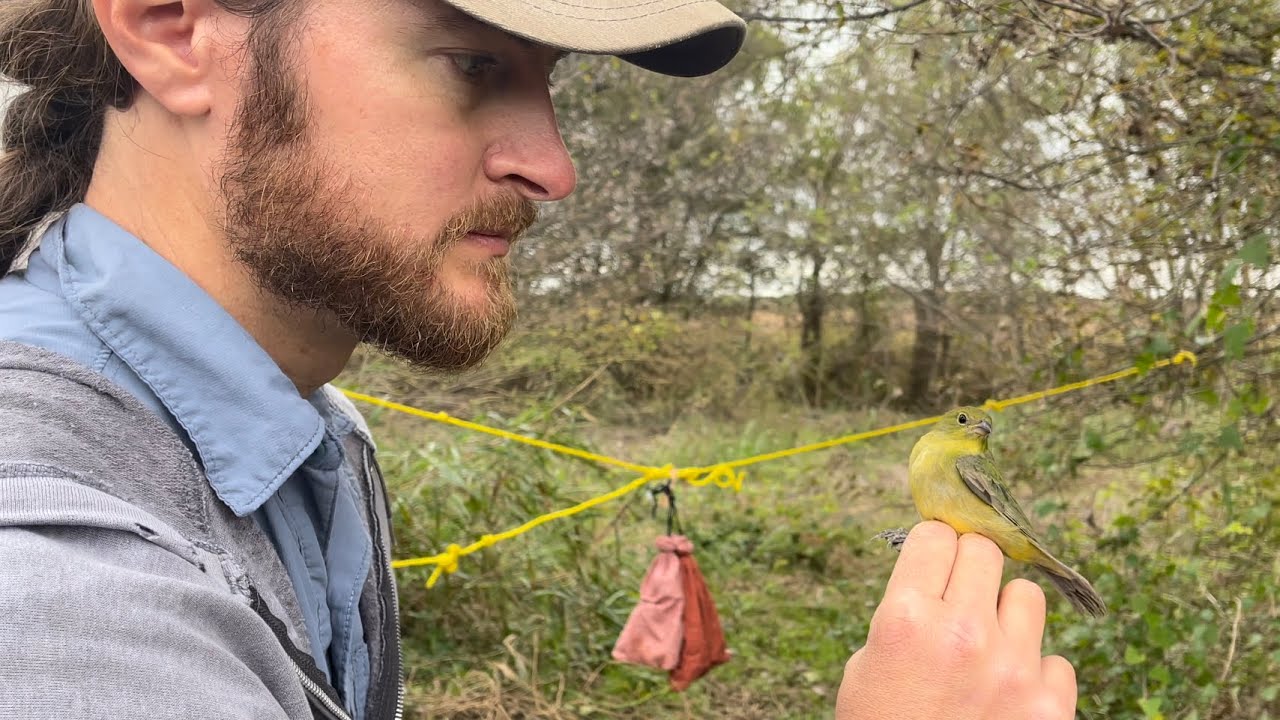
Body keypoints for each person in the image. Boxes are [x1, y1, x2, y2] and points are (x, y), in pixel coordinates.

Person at [0, 0, 1077, 718]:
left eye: (547, 78)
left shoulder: (310, 434)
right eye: (473, 65)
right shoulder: (62, 604)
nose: (552, 167)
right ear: (172, 28)